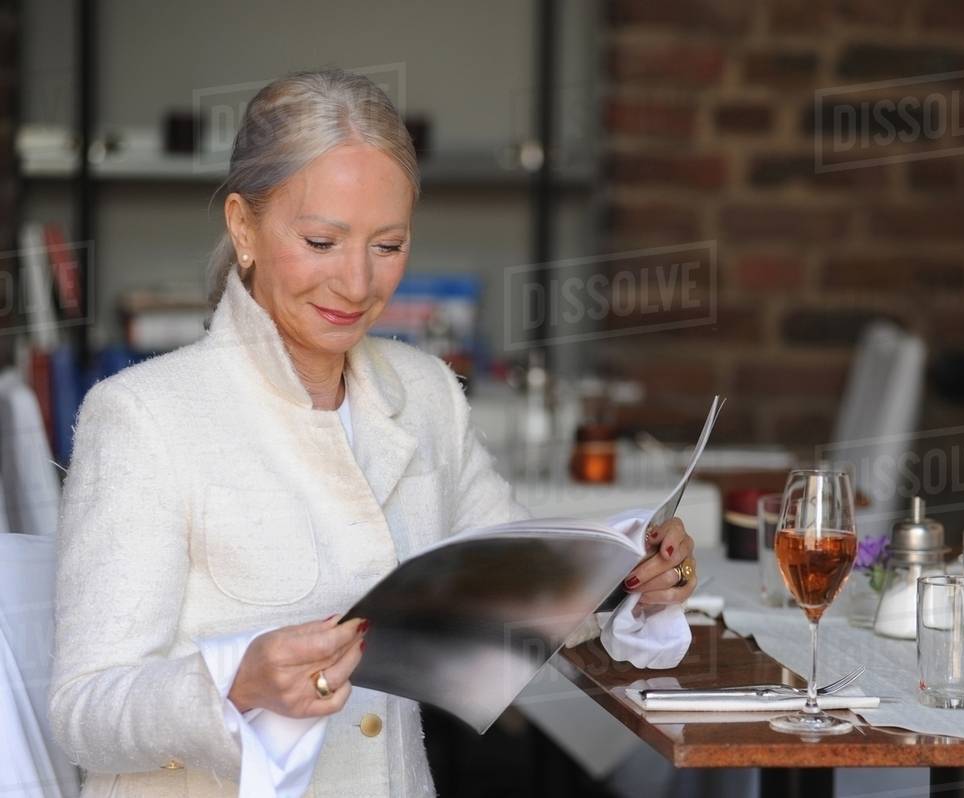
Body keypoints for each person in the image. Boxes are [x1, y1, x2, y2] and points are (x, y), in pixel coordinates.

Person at [48, 68, 698, 798]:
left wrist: (635, 580)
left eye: (387, 246)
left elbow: (526, 594)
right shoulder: (143, 417)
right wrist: (234, 683)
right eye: (321, 241)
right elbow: (83, 712)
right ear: (243, 226)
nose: (357, 285)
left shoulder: (424, 393)